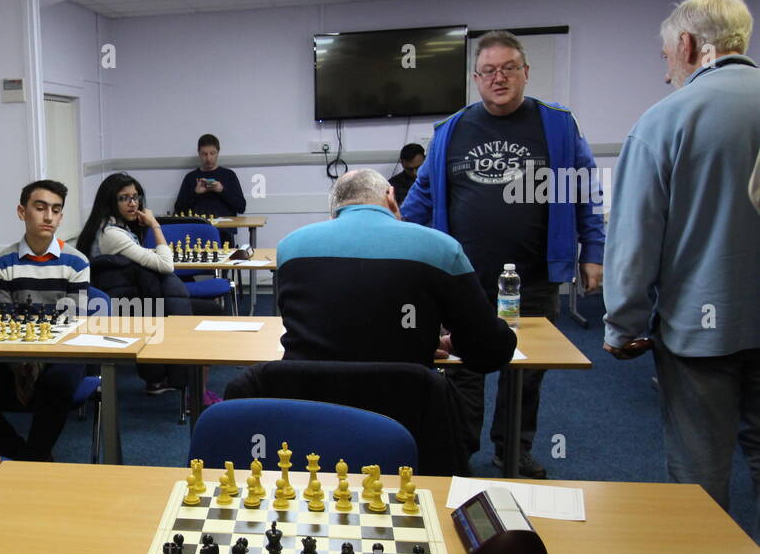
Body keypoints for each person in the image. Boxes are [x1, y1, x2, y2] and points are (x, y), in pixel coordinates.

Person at [401, 30, 605, 478]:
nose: (500, 78)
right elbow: (422, 198)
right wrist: (389, 241)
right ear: (476, 78)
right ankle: (460, 449)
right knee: (461, 369)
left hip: (532, 278)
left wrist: (594, 250)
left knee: (526, 372)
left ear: (526, 73)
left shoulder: (557, 124)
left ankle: (512, 449)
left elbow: (585, 190)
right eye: (489, 70)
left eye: (509, 68)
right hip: (462, 280)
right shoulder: (450, 131)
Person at [603, 0, 760, 522]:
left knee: (701, 473)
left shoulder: (664, 121)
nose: (667, 67)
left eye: (667, 54)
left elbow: (634, 241)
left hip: (702, 332)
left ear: (689, 45)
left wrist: (621, 326)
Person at [277, 169, 516, 372]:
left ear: (333, 213)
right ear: (391, 196)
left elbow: (312, 327)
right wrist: (425, 340)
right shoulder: (442, 247)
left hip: (310, 410)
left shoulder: (290, 247)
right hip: (404, 413)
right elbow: (491, 350)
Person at [0, 180, 88, 460]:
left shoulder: (76, 262)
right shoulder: (3, 263)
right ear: (22, 212)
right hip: (17, 351)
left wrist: (37, 363)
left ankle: (33, 461)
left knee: (55, 387)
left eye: (55, 210)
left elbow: (72, 323)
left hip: (64, 352)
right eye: (40, 208)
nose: (48, 217)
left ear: (61, 216)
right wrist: (24, 364)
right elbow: (7, 323)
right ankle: (26, 458)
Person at [76, 173, 192, 395]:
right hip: (127, 305)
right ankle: (184, 387)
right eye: (124, 198)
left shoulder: (112, 228)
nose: (133, 203)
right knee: (200, 315)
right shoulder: (111, 234)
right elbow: (167, 265)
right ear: (110, 201)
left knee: (202, 310)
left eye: (135, 197)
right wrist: (155, 225)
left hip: (131, 299)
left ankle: (173, 380)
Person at [174, 134, 246, 245]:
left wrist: (222, 191)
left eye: (212, 153)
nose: (208, 158)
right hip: (196, 233)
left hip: (224, 233)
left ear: (218, 152)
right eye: (204, 154)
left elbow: (241, 207)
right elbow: (178, 209)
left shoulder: (229, 175)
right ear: (199, 153)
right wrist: (195, 193)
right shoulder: (191, 177)